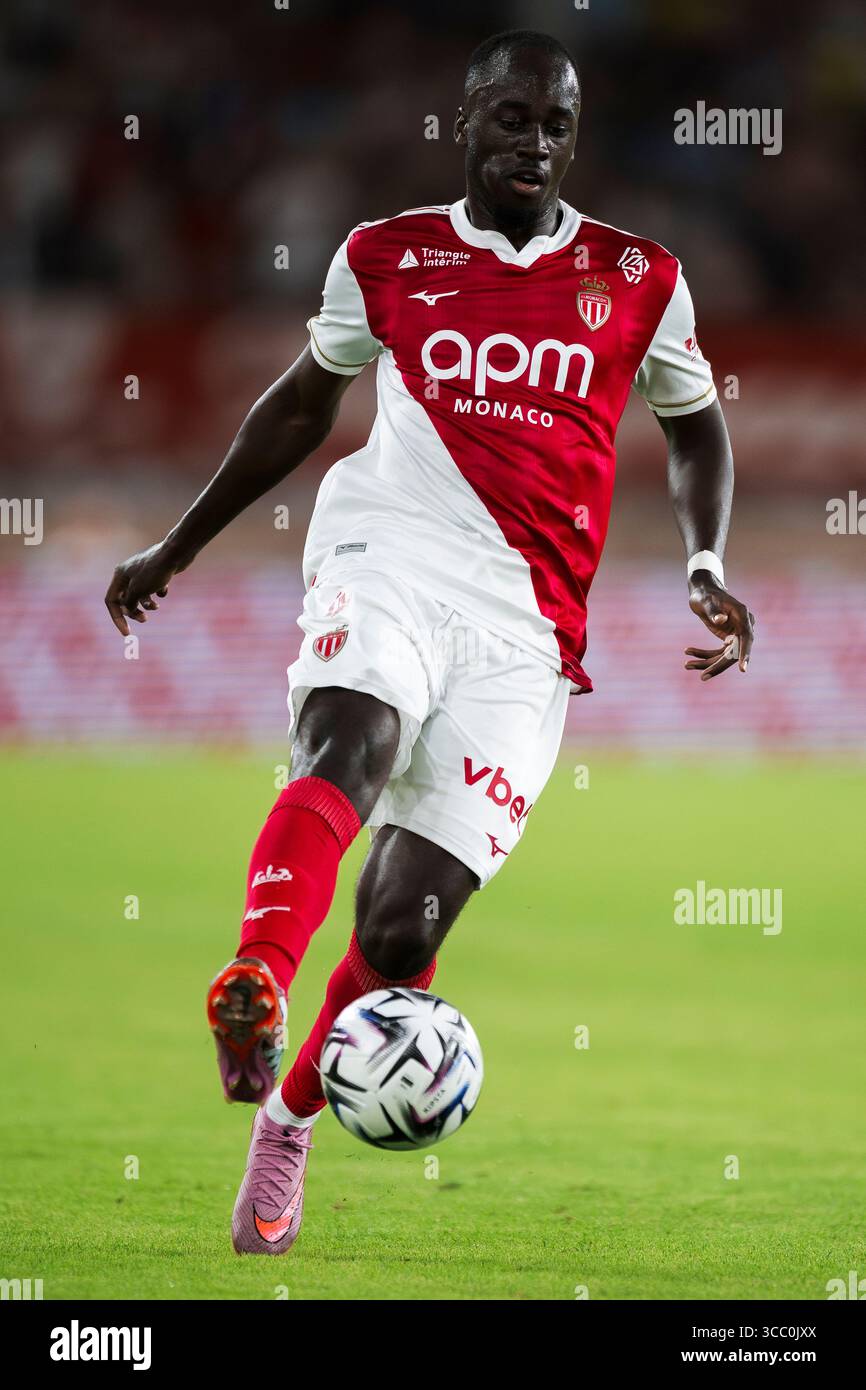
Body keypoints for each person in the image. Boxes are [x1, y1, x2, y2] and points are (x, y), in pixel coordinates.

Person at [105, 28, 755, 1255]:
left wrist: (706, 565)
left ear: (575, 136)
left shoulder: (639, 276)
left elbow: (695, 426)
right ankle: (254, 975)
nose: (536, 143)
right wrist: (177, 546)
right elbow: (303, 403)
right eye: (513, 117)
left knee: (402, 935)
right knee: (350, 734)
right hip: (389, 549)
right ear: (465, 120)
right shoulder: (386, 256)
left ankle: (287, 1117)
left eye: (556, 124)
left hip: (527, 627)